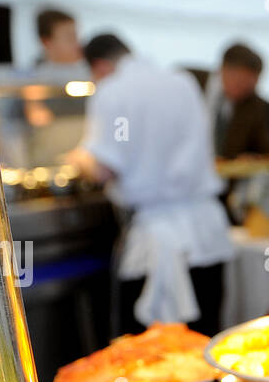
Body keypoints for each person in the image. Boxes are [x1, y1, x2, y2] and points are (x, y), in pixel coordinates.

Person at [70, 33, 233, 337]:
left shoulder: (111, 91)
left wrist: (79, 159)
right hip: (206, 236)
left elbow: (104, 168)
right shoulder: (182, 82)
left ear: (100, 66)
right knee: (208, 344)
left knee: (148, 355)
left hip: (156, 242)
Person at [213, 43, 269, 161]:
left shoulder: (261, 108)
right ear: (223, 71)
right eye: (240, 83)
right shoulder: (196, 87)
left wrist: (256, 159)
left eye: (251, 85)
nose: (245, 90)